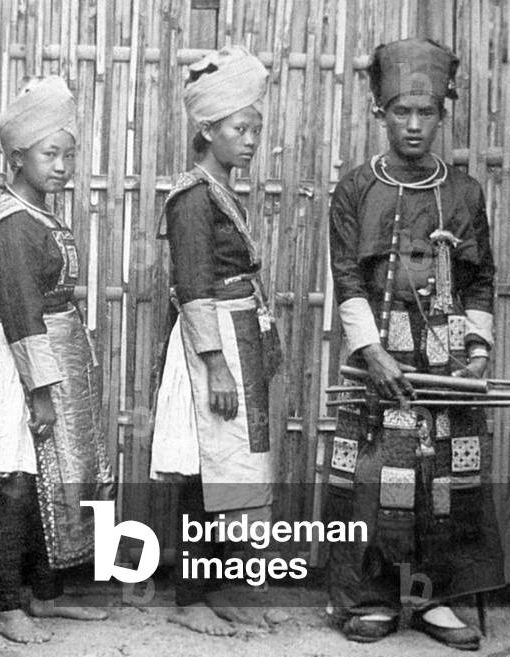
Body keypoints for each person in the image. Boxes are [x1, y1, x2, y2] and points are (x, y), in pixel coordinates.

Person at [325, 38, 503, 650]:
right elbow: (346, 275)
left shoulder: (464, 192)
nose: (413, 125)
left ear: (441, 116)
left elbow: (480, 277)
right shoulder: (355, 189)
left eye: (426, 112)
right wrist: (371, 353)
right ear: (381, 112)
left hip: (445, 355)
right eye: (401, 111)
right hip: (378, 349)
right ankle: (367, 598)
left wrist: (476, 354)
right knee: (373, 471)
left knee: (444, 475)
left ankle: (437, 601)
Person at [0, 76, 114, 644]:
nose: (61, 166)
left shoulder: (39, 215)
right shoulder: (11, 224)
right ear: (16, 157)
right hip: (20, 366)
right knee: (17, 481)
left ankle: (45, 593)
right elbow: (21, 311)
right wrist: (39, 393)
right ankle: (7, 603)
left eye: (68, 155)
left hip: (51, 359)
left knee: (48, 482)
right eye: (49, 154)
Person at [149, 46, 279, 636]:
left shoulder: (222, 191)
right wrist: (217, 367)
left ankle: (222, 587)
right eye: (238, 129)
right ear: (207, 130)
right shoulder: (193, 198)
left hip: (237, 336)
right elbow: (193, 286)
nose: (250, 140)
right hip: (213, 346)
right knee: (206, 473)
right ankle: (189, 596)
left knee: (232, 472)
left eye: (254, 129)